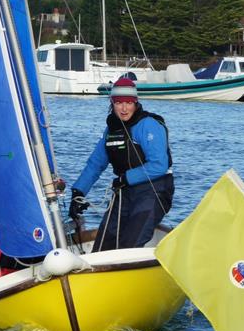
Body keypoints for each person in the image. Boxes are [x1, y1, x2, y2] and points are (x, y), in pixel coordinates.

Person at [68, 77, 174, 251]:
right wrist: (78, 192)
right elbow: (95, 164)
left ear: (136, 102)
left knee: (129, 244)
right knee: (103, 246)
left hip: (154, 190)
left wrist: (126, 178)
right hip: (124, 191)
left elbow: (159, 165)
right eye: (119, 103)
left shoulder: (149, 125)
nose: (124, 108)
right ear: (112, 103)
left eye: (128, 102)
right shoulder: (111, 130)